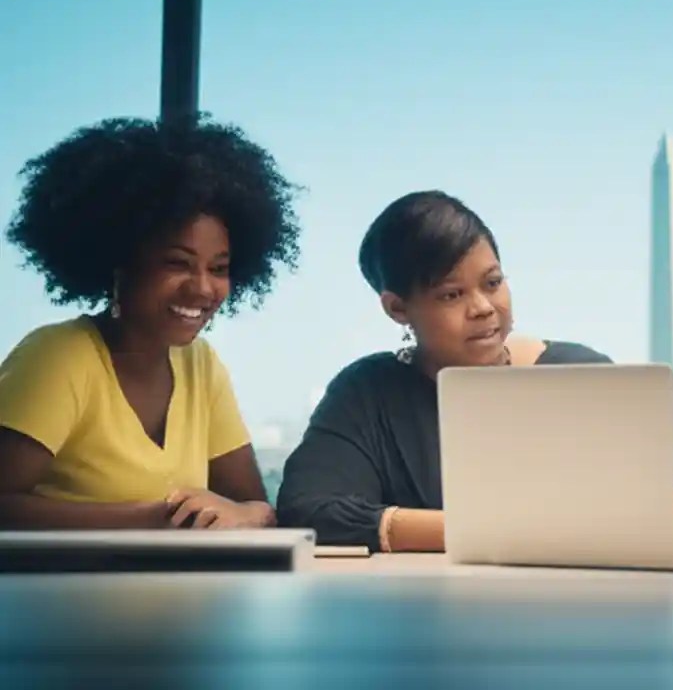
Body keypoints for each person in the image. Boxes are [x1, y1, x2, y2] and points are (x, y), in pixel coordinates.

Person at [0, 116, 300, 529]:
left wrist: (252, 513)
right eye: (177, 263)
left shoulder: (201, 364)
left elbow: (251, 504)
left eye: (218, 268)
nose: (202, 288)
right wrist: (159, 518)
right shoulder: (59, 356)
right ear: (119, 263)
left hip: (184, 593)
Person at [277, 191, 611, 551]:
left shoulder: (579, 374)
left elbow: (652, 505)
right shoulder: (368, 394)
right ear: (397, 308)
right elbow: (308, 509)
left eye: (493, 282)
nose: (483, 307)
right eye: (452, 295)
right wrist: (482, 532)